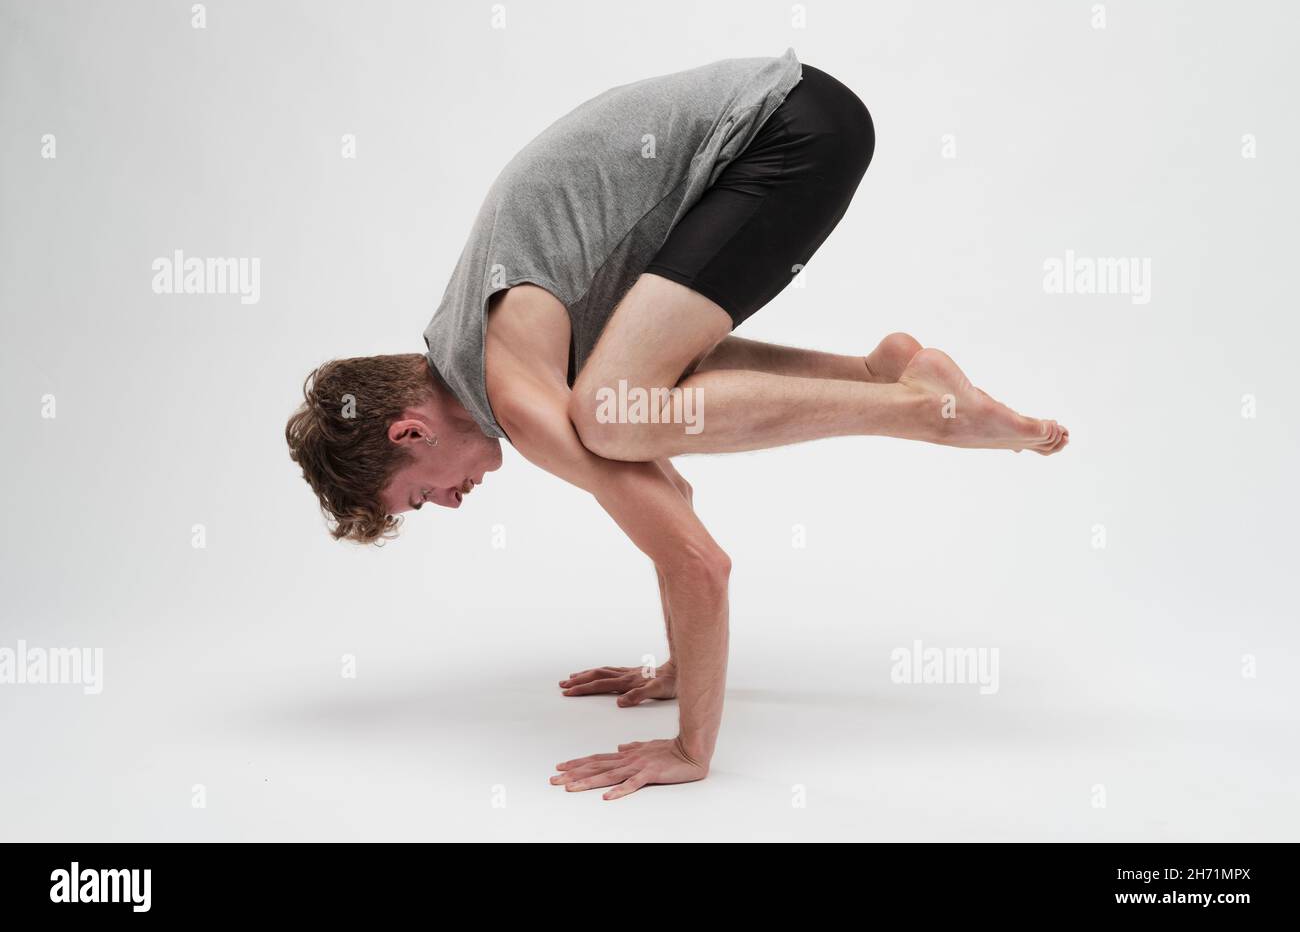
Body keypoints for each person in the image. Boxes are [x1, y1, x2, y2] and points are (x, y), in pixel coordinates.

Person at [285, 50, 1068, 800]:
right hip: (797, 120)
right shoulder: (486, 346)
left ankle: (927, 411)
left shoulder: (516, 392)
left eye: (421, 498)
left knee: (611, 414)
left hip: (783, 128)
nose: (452, 504)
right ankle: (884, 376)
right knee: (627, 406)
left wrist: (693, 746)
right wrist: (676, 666)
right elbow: (669, 489)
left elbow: (698, 560)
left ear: (409, 435)